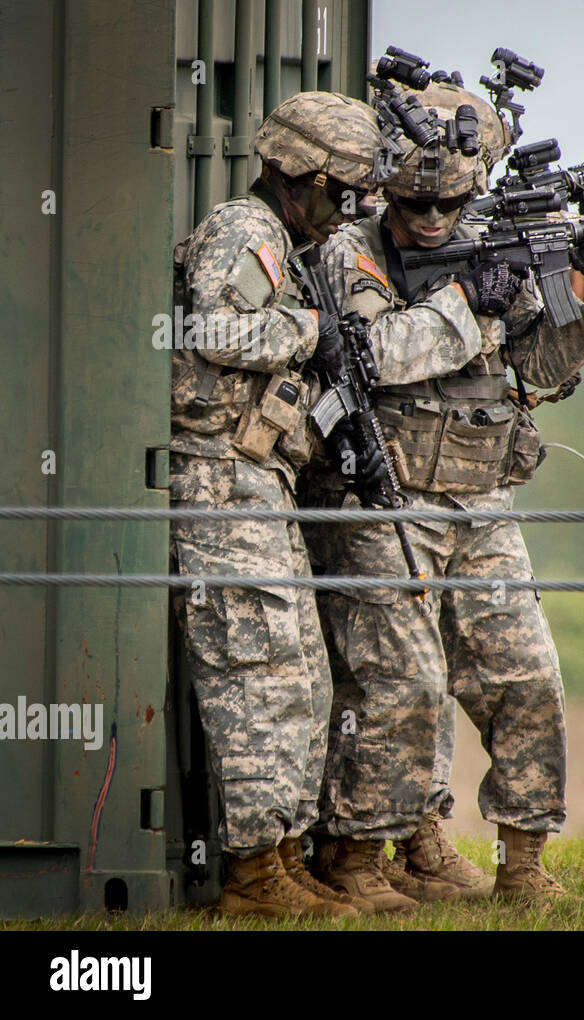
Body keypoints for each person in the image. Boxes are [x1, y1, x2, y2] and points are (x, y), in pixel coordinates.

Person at [303, 87, 584, 907]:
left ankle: (523, 862)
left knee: (526, 675)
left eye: (449, 202)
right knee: (404, 684)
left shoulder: (491, 243)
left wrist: (582, 277)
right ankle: (355, 857)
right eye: (415, 201)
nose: (431, 218)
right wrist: (470, 303)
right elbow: (377, 354)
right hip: (384, 495)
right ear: (387, 189)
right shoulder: (350, 253)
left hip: (480, 496)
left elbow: (540, 369)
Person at [169, 90, 385, 918]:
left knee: (300, 676)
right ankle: (253, 877)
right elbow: (210, 334)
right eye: (339, 193)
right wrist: (308, 332)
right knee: (258, 675)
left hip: (260, 481)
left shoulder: (285, 245)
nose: (345, 212)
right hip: (220, 481)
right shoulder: (243, 230)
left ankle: (284, 858)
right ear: (295, 175)